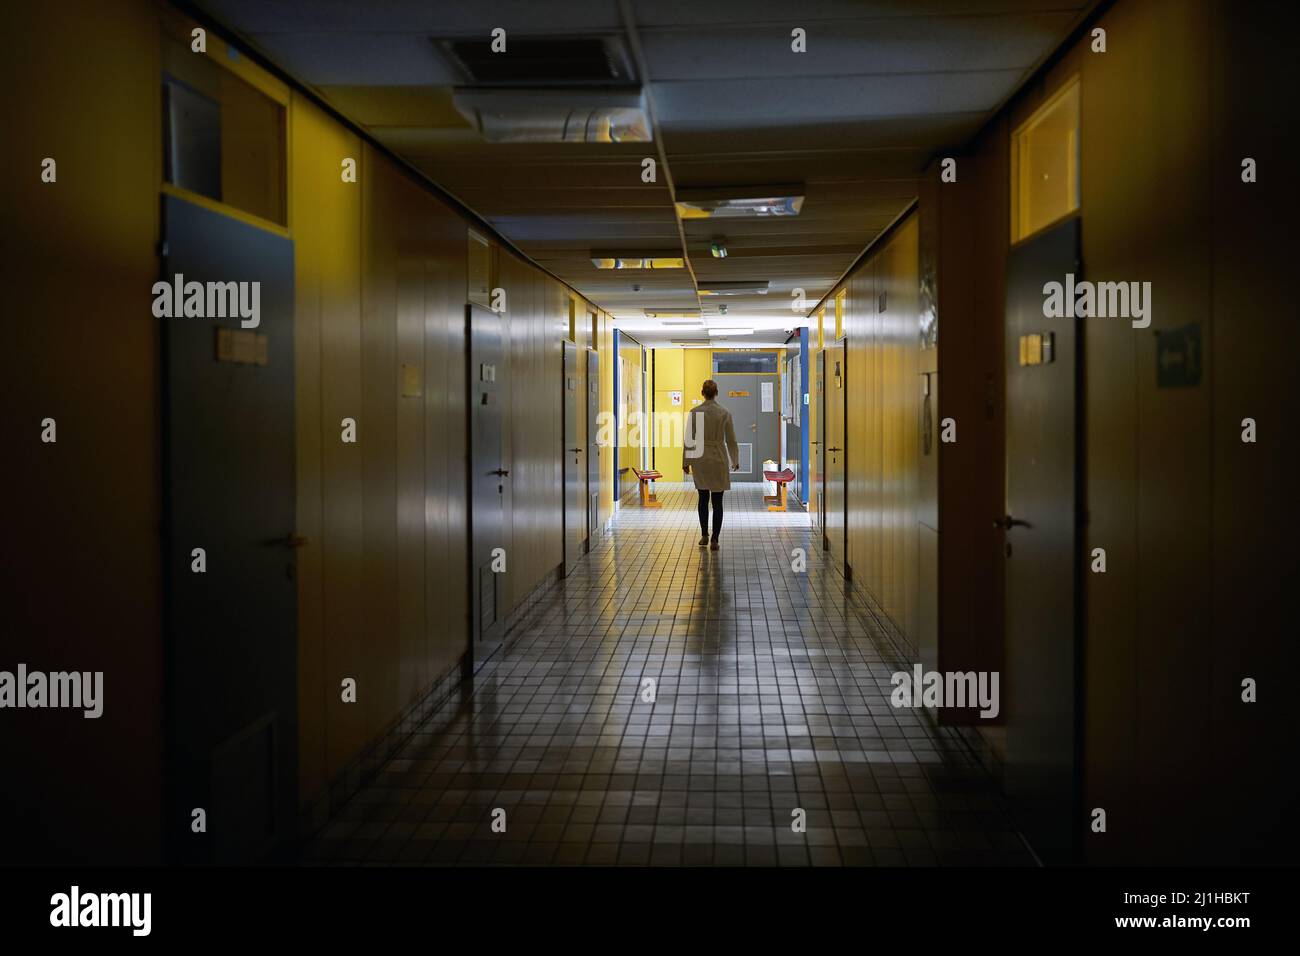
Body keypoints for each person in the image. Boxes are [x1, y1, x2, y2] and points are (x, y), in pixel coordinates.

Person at [682, 379, 741, 551]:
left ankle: (704, 535)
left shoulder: (695, 412)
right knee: (717, 501)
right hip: (718, 457)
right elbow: (731, 440)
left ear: (702, 393)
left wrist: (685, 462)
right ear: (716, 393)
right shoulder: (724, 413)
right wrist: (735, 460)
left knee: (702, 498)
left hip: (700, 458)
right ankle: (715, 539)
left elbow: (689, 439)